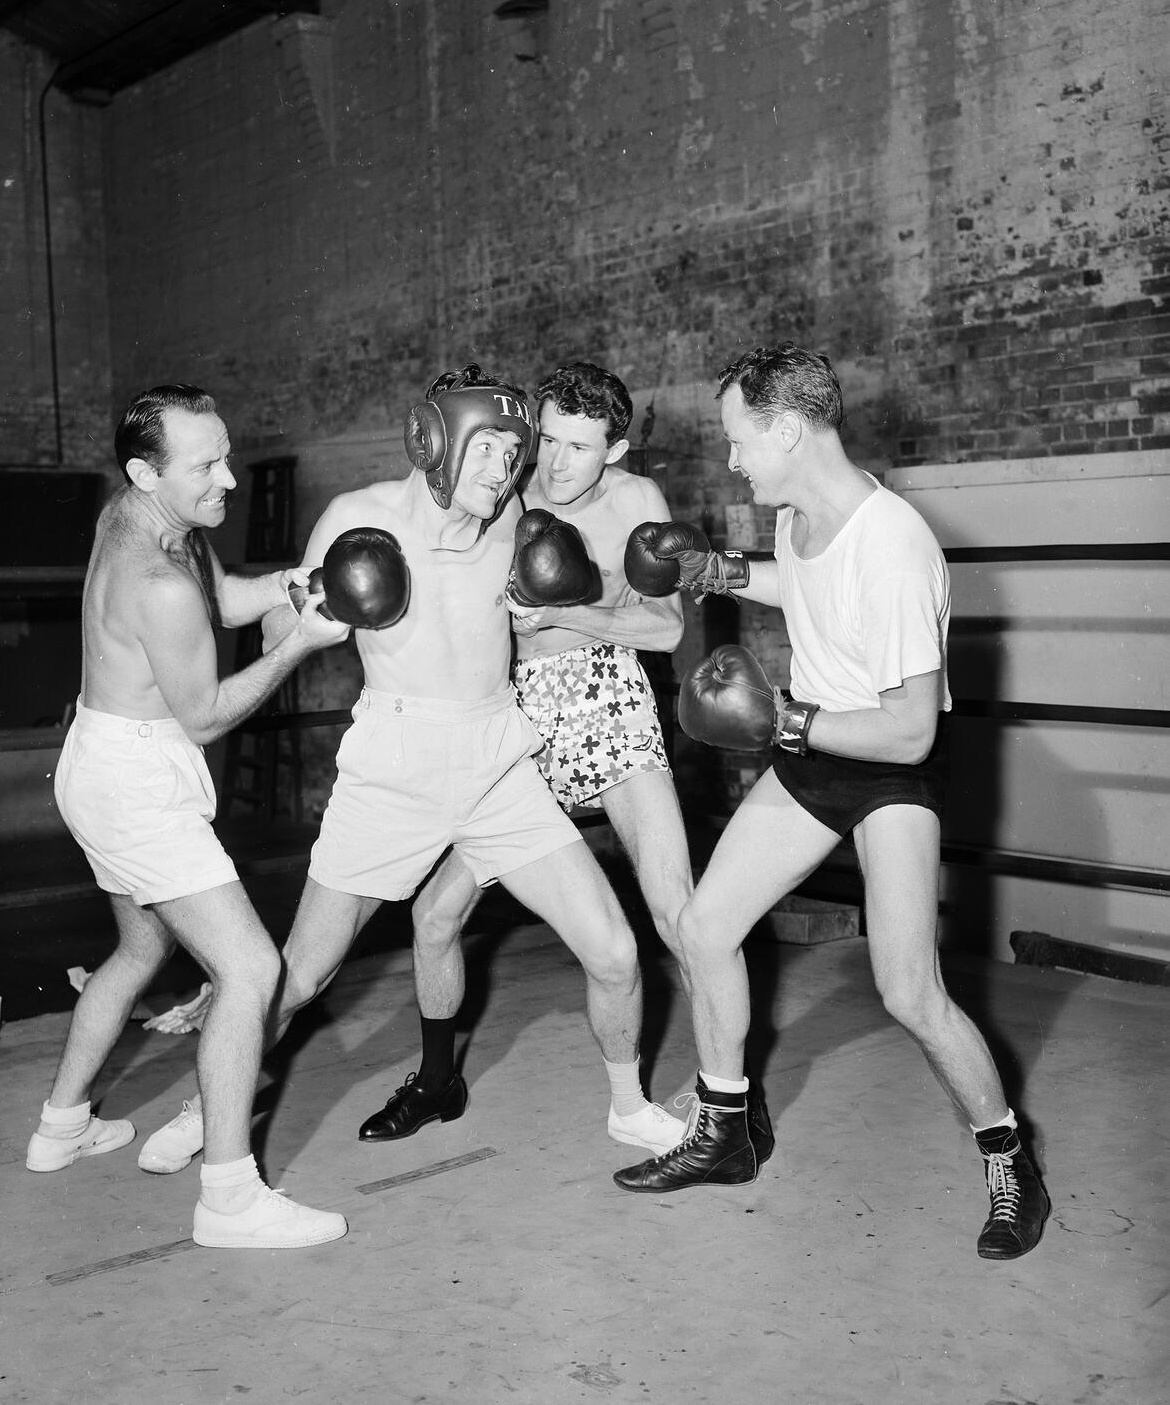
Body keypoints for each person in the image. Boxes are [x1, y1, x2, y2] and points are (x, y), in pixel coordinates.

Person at [141, 364, 686, 1169]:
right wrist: (311, 621)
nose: (504, 469)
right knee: (301, 975)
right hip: (394, 766)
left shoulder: (514, 517)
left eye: (513, 451)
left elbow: (600, 507)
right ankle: (207, 1106)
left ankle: (629, 1108)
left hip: (498, 761)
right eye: (487, 448)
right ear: (433, 440)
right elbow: (275, 634)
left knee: (613, 951)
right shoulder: (356, 517)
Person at [613, 343, 1050, 1263]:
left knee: (908, 990)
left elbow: (909, 733)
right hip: (812, 753)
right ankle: (726, 1129)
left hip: (887, 769)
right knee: (702, 928)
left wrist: (781, 718)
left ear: (785, 430)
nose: (731, 458)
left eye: (739, 439)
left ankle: (1008, 1157)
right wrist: (722, 573)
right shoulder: (799, 515)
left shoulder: (892, 547)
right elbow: (806, 586)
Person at [357, 360, 732, 1154]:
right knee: (434, 914)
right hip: (517, 712)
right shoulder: (503, 486)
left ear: (615, 449)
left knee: (677, 908)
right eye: (548, 441)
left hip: (608, 697)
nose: (555, 464)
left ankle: (713, 1098)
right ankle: (436, 1080)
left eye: (578, 447)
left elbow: (666, 629)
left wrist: (566, 611)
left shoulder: (637, 500)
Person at [25, 384, 352, 1250]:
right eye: (205, 466)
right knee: (251, 970)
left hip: (101, 758)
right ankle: (230, 1200)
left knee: (140, 950)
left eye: (225, 456)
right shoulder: (158, 580)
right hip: (134, 783)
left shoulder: (140, 515)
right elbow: (204, 716)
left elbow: (226, 599)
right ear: (147, 472)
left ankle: (60, 1128)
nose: (229, 479)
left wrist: (284, 586)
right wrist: (299, 643)